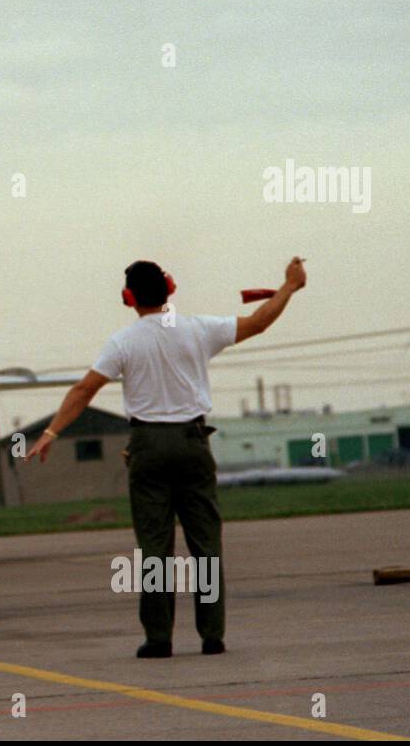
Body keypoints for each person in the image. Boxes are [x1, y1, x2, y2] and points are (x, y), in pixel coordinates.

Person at [27, 257, 307, 657]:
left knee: (155, 548)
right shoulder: (198, 329)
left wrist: (52, 432)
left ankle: (159, 639)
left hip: (147, 447)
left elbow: (83, 390)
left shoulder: (123, 342)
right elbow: (259, 321)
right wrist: (289, 287)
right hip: (193, 441)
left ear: (129, 299)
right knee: (205, 543)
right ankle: (212, 634)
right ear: (170, 288)